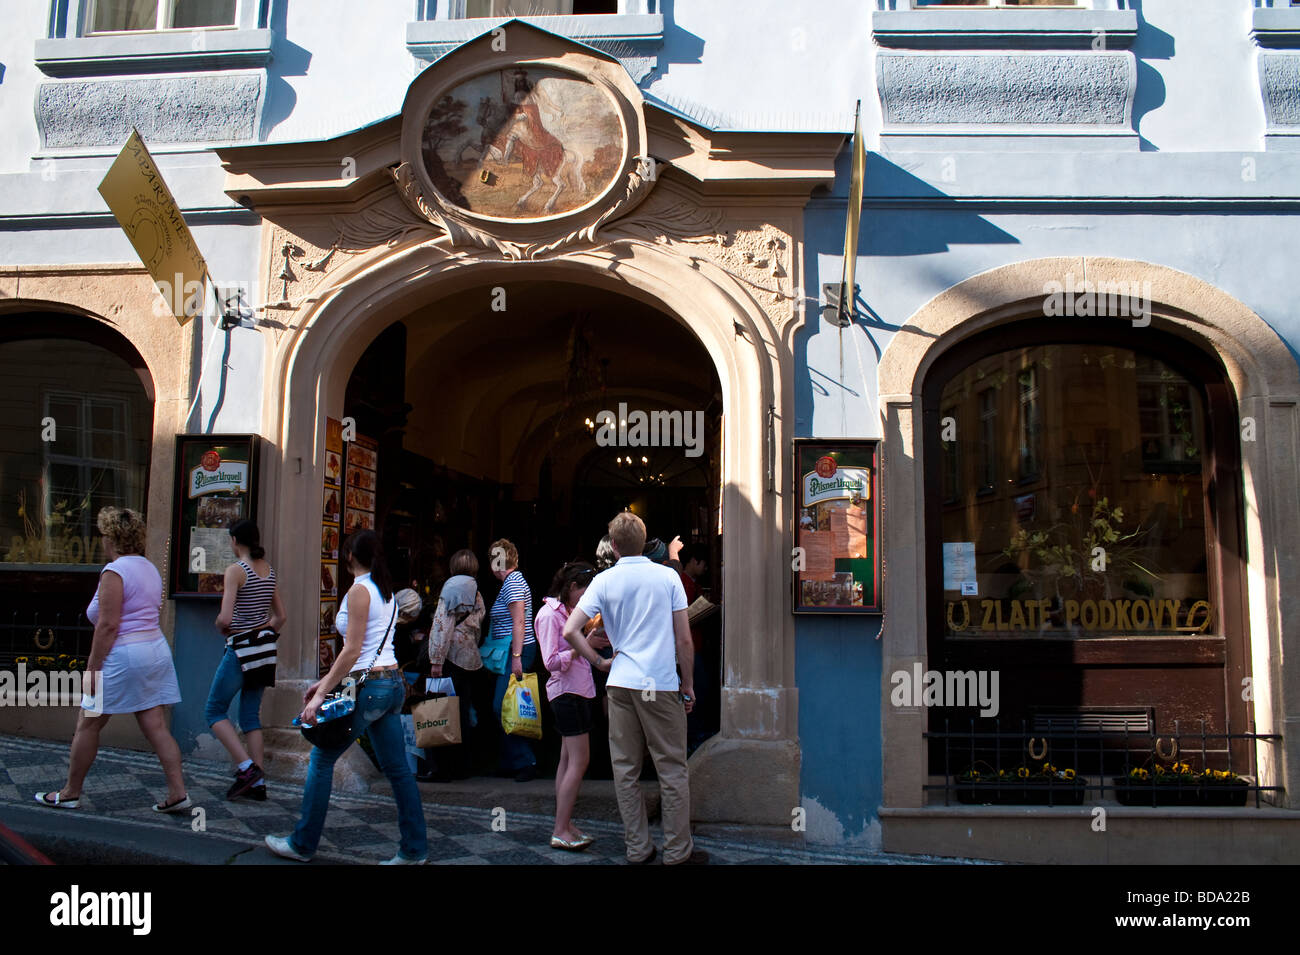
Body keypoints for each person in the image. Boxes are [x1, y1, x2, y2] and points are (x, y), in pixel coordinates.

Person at [266, 530, 428, 865]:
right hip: (391, 683)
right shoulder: (385, 591)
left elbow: (353, 650)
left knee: (322, 759)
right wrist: (324, 682)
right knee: (398, 770)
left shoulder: (359, 591)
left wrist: (320, 692)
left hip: (369, 688)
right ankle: (414, 849)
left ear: (349, 556)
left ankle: (302, 843)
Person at [562, 512, 709, 865]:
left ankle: (638, 847)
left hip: (621, 682)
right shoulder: (667, 577)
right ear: (644, 542)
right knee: (672, 768)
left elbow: (570, 630)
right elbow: (684, 639)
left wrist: (599, 663)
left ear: (613, 546)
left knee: (625, 770)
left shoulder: (603, 581)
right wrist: (687, 683)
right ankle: (677, 852)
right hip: (658, 682)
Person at [35, 507, 190, 813]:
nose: (102, 541)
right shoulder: (148, 567)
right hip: (154, 649)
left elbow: (108, 625)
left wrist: (92, 669)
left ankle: (70, 792)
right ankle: (178, 792)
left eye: (103, 535)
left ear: (111, 538)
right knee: (156, 726)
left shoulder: (114, 572)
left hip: (124, 655)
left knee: (88, 724)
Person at [205, 519, 286, 801]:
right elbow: (280, 617)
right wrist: (263, 632)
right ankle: (258, 782)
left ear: (234, 541)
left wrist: (221, 627)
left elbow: (225, 618)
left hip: (239, 651)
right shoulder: (269, 571)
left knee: (214, 711)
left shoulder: (236, 571)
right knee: (251, 716)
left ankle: (247, 768)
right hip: (264, 652)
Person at [535, 561, 608, 850]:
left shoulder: (568, 613)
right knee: (580, 761)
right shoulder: (548, 615)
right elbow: (551, 663)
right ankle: (560, 828)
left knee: (567, 762)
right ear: (572, 587)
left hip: (576, 691)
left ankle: (564, 823)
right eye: (584, 592)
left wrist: (586, 640)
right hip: (565, 694)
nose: (587, 600)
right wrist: (583, 645)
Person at [422, 549, 486, 781]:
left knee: (440, 712)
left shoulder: (451, 587)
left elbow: (442, 624)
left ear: (453, 566)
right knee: (462, 713)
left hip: (450, 658)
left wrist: (436, 660)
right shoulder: (476, 588)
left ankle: (440, 767)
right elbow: (477, 625)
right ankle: (462, 766)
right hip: (470, 658)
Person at [488, 538, 539, 782]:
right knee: (510, 705)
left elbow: (519, 622)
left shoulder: (513, 583)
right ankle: (511, 761)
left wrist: (517, 658)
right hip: (513, 652)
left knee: (503, 706)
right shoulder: (511, 582)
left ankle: (525, 760)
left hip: (515, 652)